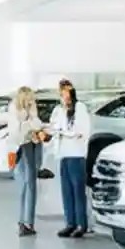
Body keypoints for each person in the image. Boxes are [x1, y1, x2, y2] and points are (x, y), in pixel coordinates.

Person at [50, 78, 92, 238]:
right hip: (64, 154)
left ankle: (82, 224)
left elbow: (80, 131)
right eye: (61, 92)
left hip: (76, 154)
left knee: (78, 191)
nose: (64, 95)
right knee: (66, 191)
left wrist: (65, 132)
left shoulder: (80, 108)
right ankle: (70, 223)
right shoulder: (59, 110)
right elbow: (55, 127)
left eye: (66, 91)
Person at [6, 86, 45, 237]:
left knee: (25, 185)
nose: (32, 101)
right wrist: (30, 124)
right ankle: (27, 223)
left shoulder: (25, 108)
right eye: (30, 98)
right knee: (29, 186)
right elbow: (24, 129)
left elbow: (36, 123)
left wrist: (31, 124)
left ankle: (23, 221)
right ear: (24, 97)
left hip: (22, 146)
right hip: (25, 147)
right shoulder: (17, 110)